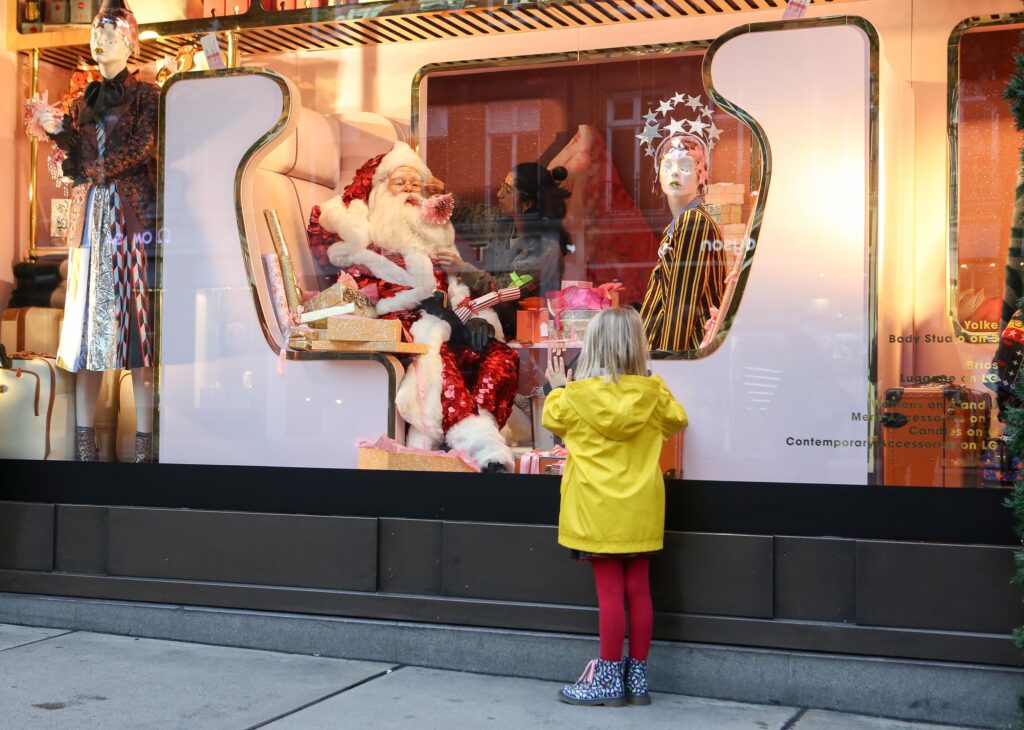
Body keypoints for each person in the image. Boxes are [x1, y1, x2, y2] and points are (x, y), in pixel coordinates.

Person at [306, 142, 519, 472]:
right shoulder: (368, 243)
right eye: (400, 182)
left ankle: (469, 425)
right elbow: (366, 294)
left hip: (448, 323)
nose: (409, 190)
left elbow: (458, 291)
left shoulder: (433, 240)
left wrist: (473, 318)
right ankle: (478, 443)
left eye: (415, 184)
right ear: (381, 189)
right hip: (401, 325)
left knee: (501, 356)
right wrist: (423, 308)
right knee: (435, 354)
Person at [542, 307, 687, 706]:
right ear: (638, 347)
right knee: (639, 589)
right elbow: (677, 420)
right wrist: (655, 385)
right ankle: (636, 679)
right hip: (641, 506)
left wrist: (556, 386)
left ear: (593, 346)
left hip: (595, 508)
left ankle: (606, 680)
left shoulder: (572, 398)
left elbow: (551, 417)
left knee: (609, 593)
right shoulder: (654, 395)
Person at [33, 0, 158, 462]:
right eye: (95, 33)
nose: (98, 41)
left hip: (130, 221)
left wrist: (90, 167)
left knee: (137, 332)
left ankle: (143, 445)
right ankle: (86, 445)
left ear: (128, 42)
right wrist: (58, 133)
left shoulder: (146, 96)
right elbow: (73, 159)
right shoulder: (82, 100)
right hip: (90, 220)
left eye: (108, 34)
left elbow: (144, 147)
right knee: (88, 329)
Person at [430, 163, 572, 340]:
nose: (499, 194)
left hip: (530, 338)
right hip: (496, 327)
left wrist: (462, 269)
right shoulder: (502, 222)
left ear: (526, 204)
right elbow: (469, 214)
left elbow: (503, 290)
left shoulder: (544, 249)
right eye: (502, 185)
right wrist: (441, 193)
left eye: (508, 190)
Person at [639, 134, 729, 353]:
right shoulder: (678, 225)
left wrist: (668, 357)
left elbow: (682, 304)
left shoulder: (693, 222)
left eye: (686, 166)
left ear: (702, 175)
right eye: (667, 165)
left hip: (681, 351)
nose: (675, 173)